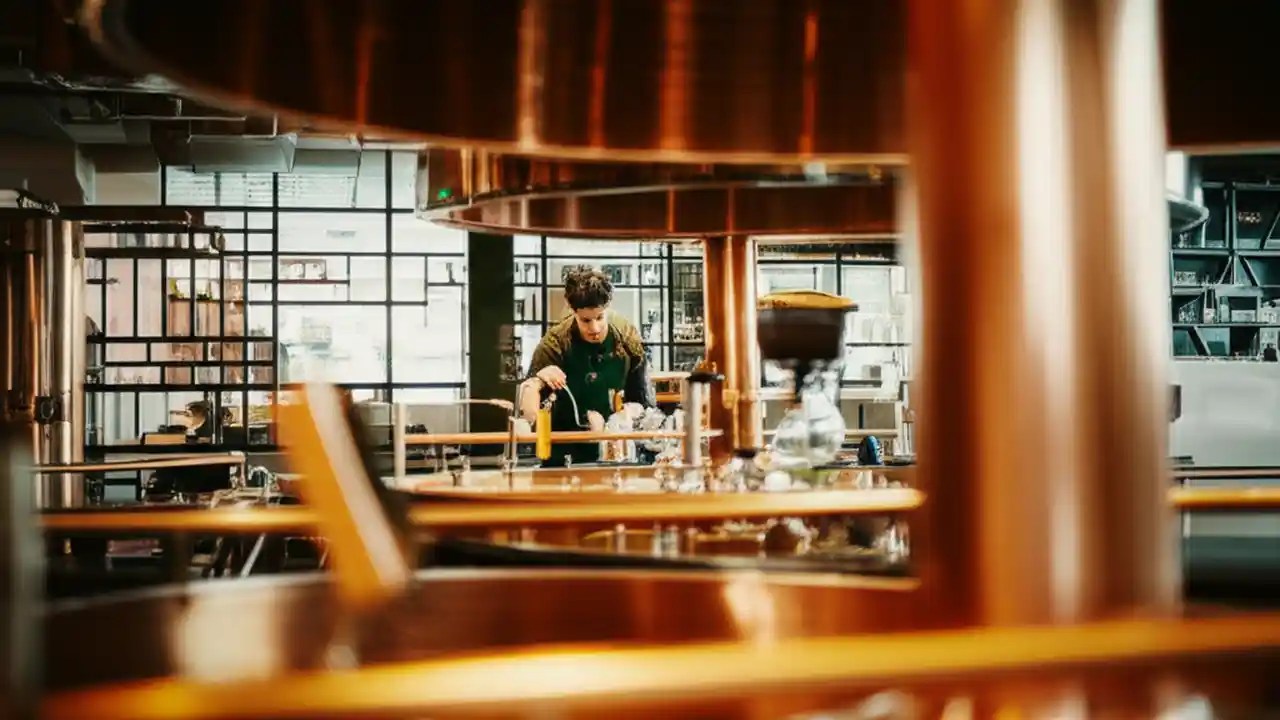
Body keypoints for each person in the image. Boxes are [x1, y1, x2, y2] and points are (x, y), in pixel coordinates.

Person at [519, 265, 655, 466]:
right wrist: (538, 380)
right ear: (571, 309)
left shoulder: (628, 339)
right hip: (564, 452)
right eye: (585, 320)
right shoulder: (555, 344)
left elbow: (644, 403)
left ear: (608, 307)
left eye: (600, 317)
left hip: (616, 452)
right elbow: (529, 411)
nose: (595, 328)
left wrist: (624, 416)